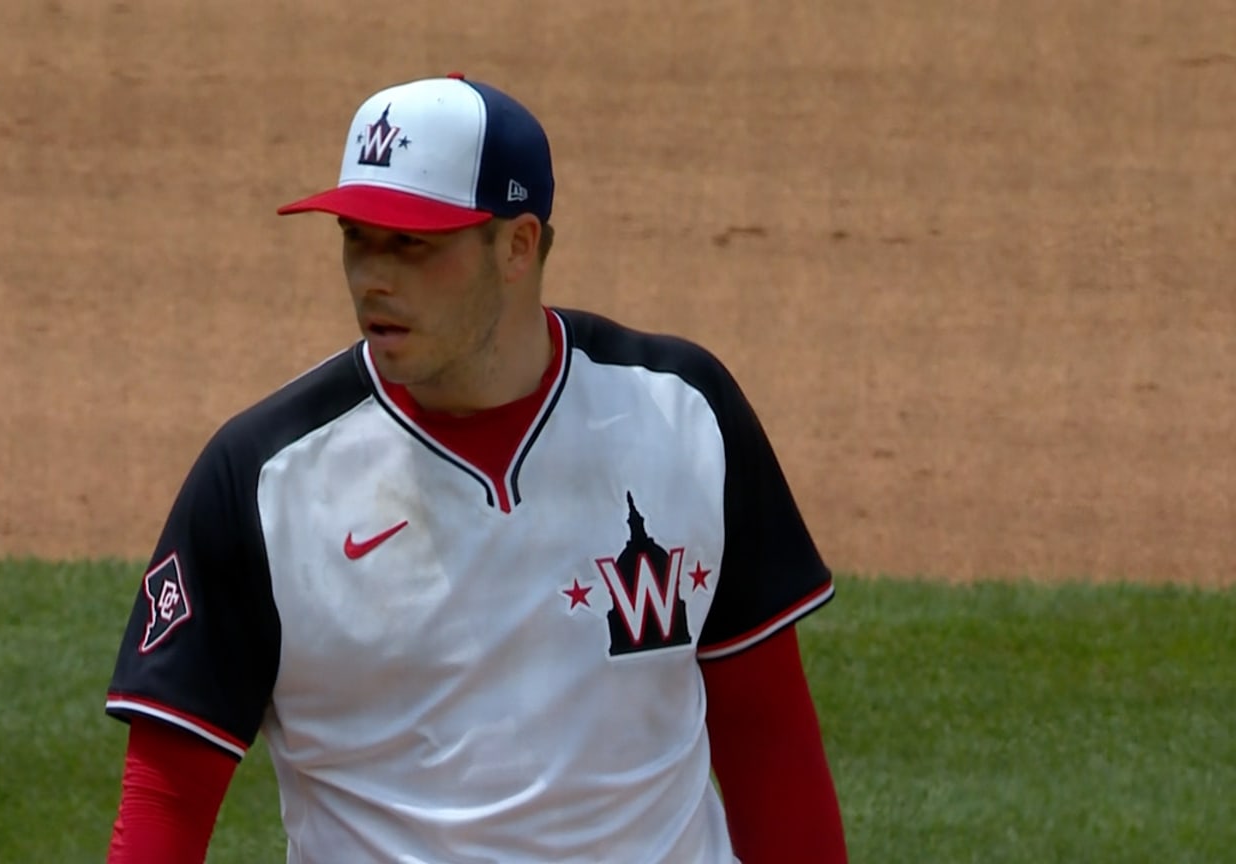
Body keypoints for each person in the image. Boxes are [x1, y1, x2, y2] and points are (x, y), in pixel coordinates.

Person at [103, 72, 848, 863]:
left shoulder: (681, 413)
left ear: (518, 246)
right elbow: (165, 807)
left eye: (413, 245)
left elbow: (769, 741)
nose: (373, 278)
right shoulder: (264, 480)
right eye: (357, 238)